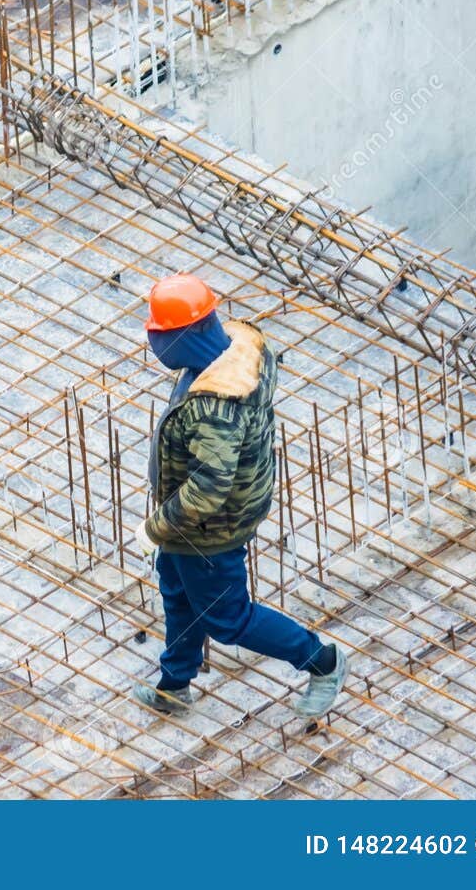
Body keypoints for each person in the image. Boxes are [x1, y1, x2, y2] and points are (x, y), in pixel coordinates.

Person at [130, 273, 349, 719]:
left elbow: (208, 490)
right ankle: (174, 686)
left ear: (185, 334)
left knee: (228, 619)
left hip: (210, 530)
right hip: (189, 526)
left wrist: (155, 529)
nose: (153, 342)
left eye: (159, 333)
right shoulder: (230, 355)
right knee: (178, 593)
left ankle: (322, 661)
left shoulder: (217, 407)